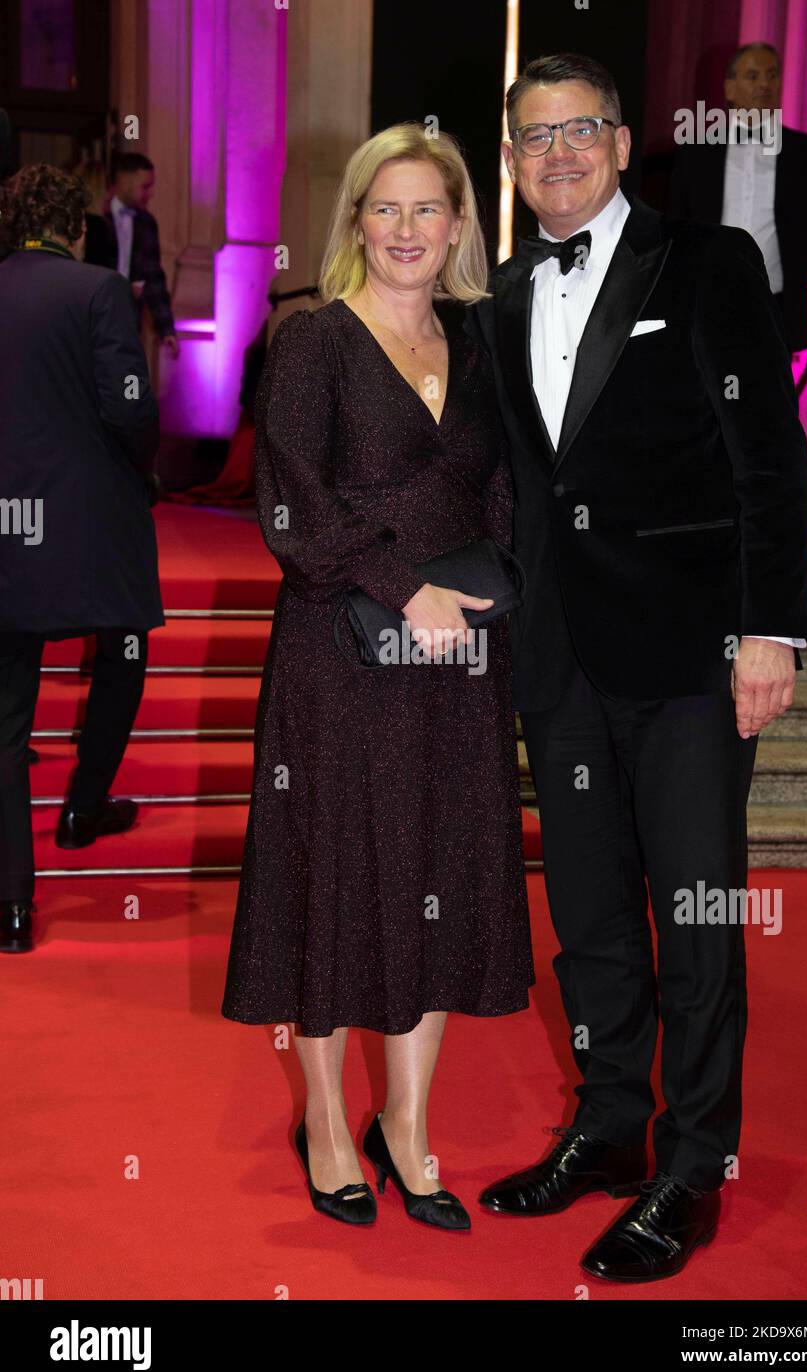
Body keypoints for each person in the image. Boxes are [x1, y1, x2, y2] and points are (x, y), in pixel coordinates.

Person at [465, 53, 807, 1281]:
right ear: (509, 163)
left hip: (687, 655)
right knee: (590, 919)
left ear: (622, 145)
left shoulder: (711, 263)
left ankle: (691, 1164)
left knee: (695, 917)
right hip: (560, 655)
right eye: (531, 137)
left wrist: (769, 628)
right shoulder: (504, 295)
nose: (554, 152)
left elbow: (766, 461)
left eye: (577, 130)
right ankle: (612, 1124)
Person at [221, 123, 534, 1230]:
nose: (405, 230)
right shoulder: (313, 341)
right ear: (355, 221)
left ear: (457, 223)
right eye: (384, 208)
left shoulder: (477, 338)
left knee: (437, 873)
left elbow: (500, 484)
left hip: (457, 660)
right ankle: (322, 1118)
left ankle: (404, 1124)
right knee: (340, 879)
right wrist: (411, 591)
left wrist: (488, 587)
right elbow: (291, 508)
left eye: (427, 209)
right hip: (340, 656)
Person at [0, 165, 164, 954]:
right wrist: (146, 465)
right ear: (73, 225)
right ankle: (82, 806)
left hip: (7, 532)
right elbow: (127, 408)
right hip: (92, 526)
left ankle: (12, 908)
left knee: (4, 721)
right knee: (125, 646)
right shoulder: (97, 290)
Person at [668, 42, 807, 354]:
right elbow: (678, 225)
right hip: (707, 302)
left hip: (777, 305)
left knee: (770, 400)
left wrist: (790, 273)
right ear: (730, 88)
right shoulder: (695, 154)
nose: (764, 84)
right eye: (752, 75)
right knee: (705, 397)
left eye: (772, 75)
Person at [95, 151, 180, 359]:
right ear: (124, 180)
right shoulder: (97, 217)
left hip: (128, 320)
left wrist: (166, 329)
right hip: (96, 314)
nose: (149, 193)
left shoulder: (147, 223)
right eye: (145, 186)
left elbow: (154, 277)